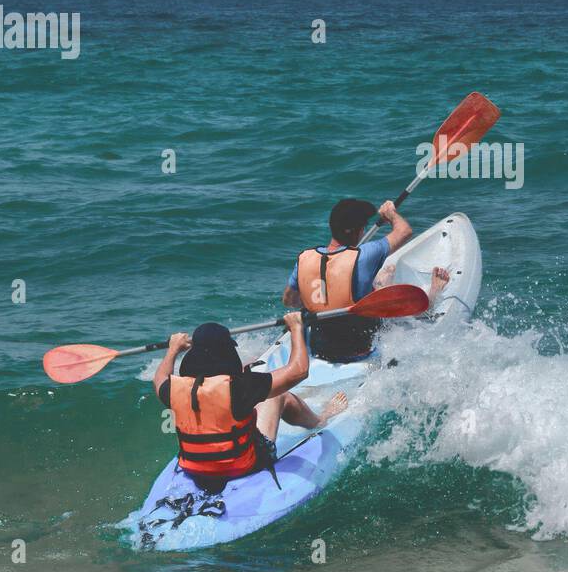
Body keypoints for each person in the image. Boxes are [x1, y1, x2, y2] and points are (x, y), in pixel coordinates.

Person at [151, 312, 346, 493]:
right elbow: (299, 370)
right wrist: (296, 327)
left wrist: (173, 349)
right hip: (243, 467)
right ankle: (320, 420)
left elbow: (159, 378)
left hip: (196, 470)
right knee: (278, 396)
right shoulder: (241, 388)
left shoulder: (173, 390)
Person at [282, 197, 412, 362]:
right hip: (360, 348)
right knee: (382, 283)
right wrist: (391, 214)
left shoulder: (305, 258)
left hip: (321, 348)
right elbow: (405, 231)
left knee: (337, 292)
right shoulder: (365, 255)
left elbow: (289, 300)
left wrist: (321, 301)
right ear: (359, 231)